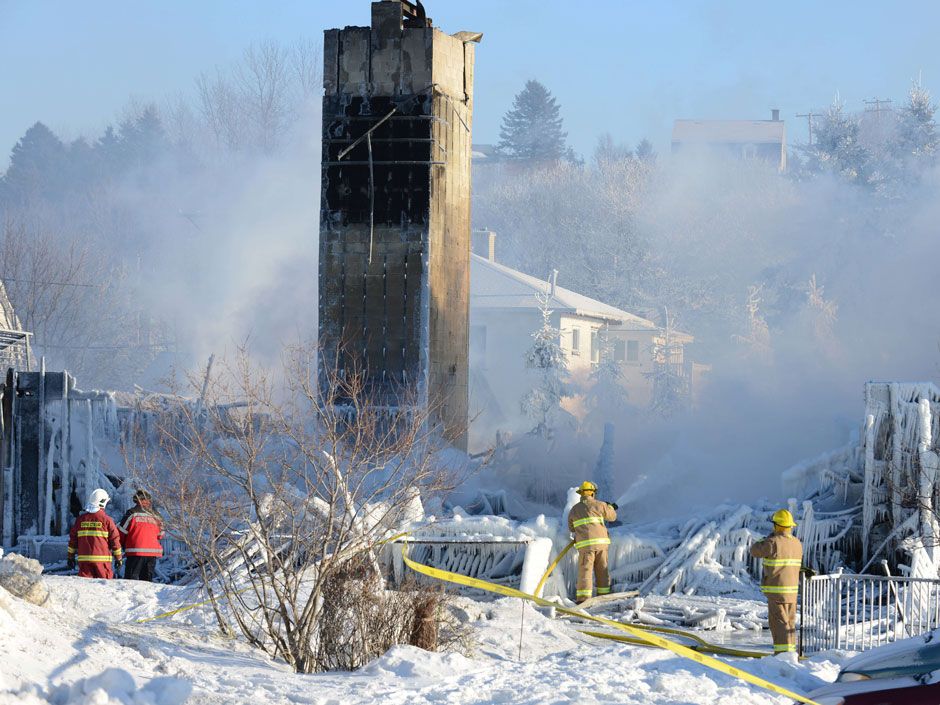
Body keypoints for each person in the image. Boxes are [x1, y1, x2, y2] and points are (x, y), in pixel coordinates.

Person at [749, 508, 804, 656]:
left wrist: (765, 538)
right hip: (792, 591)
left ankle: (782, 656)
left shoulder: (772, 542)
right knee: (789, 623)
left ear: (776, 525)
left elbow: (754, 550)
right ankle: (791, 653)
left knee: (779, 624)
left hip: (776, 591)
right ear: (790, 526)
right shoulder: (797, 543)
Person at [567, 481, 617, 603]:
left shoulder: (574, 510)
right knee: (602, 570)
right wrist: (609, 507)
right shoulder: (600, 505)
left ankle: (583, 599)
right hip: (602, 544)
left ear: (581, 494)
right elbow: (612, 517)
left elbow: (571, 528)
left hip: (586, 546)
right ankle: (603, 596)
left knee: (586, 571)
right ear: (593, 493)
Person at [67, 488, 123, 579]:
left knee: (87, 589)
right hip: (102, 562)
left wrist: (70, 557)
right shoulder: (107, 520)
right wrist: (118, 558)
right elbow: (115, 540)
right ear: (103, 502)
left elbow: (72, 540)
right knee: (102, 588)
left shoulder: (80, 520)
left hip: (84, 562)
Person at [118, 488, 165, 581]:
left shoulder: (131, 513)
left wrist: (120, 547)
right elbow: (161, 534)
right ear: (148, 500)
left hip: (135, 552)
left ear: (136, 500)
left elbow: (121, 532)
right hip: (152, 553)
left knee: (131, 581)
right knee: (147, 582)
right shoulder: (157, 515)